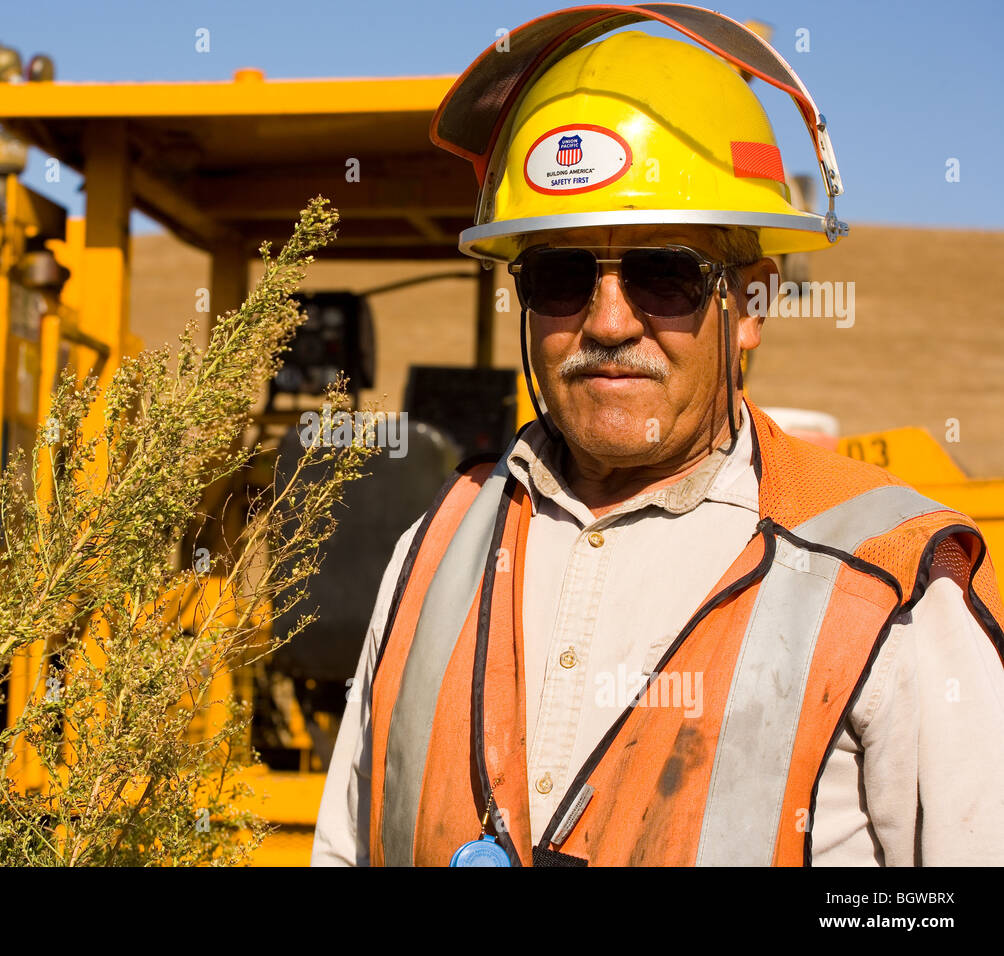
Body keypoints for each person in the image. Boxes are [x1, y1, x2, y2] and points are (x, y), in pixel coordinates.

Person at [311, 6, 1004, 867]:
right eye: (561, 275)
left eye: (665, 274)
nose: (608, 320)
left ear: (749, 303)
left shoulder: (891, 584)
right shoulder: (436, 548)